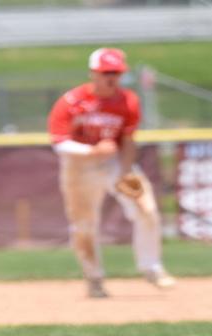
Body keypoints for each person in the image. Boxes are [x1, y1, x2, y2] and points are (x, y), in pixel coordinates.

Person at [48, 47, 176, 299]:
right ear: (93, 73)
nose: (112, 77)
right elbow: (59, 141)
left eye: (116, 72)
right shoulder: (72, 102)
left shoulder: (128, 100)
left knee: (147, 209)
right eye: (106, 72)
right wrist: (91, 151)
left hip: (116, 161)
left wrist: (126, 172)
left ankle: (152, 268)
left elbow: (128, 139)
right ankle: (94, 279)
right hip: (79, 166)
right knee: (84, 225)